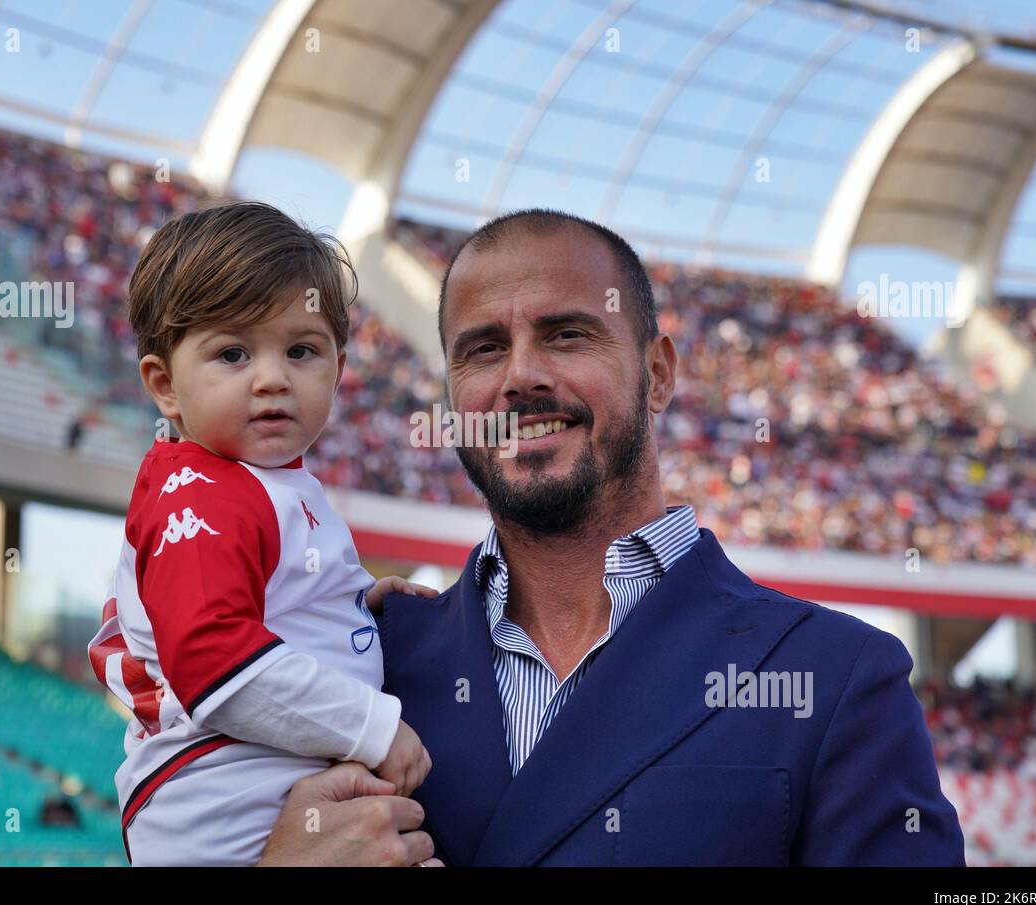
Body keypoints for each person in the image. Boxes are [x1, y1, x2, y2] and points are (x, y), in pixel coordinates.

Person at [258, 208, 965, 866]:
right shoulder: (362, 658)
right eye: (483, 349)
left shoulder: (837, 675)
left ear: (657, 374)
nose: (521, 377)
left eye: (566, 335)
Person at [88, 201, 436, 866]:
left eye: (301, 349)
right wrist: (373, 727)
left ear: (337, 367)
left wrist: (353, 605)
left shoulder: (267, 483)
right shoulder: (199, 488)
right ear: (165, 385)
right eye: (233, 352)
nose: (273, 376)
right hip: (219, 792)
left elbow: (278, 610)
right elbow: (214, 658)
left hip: (258, 778)